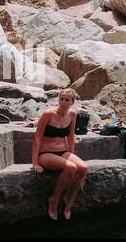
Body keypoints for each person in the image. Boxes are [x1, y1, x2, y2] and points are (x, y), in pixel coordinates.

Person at [31, 89, 89, 220]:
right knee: (71, 167)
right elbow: (37, 137)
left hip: (63, 152)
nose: (63, 102)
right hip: (46, 154)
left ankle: (69, 199)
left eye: (67, 100)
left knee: (83, 168)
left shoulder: (72, 115)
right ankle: (54, 199)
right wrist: (35, 162)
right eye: (61, 99)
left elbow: (70, 137)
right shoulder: (48, 114)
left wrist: (71, 154)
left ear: (72, 102)